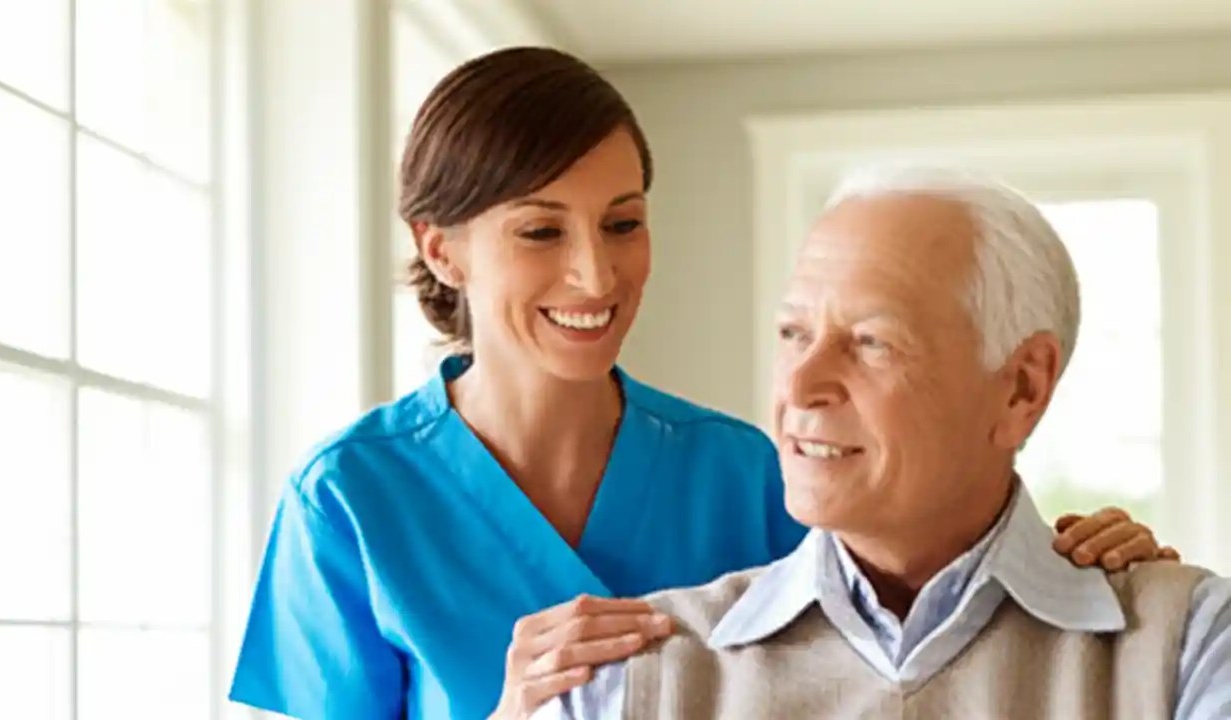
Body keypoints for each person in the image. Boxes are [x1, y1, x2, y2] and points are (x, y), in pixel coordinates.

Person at [226, 48, 1177, 720]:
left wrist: (1072, 564)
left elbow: (931, 645)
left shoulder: (753, 474)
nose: (596, 275)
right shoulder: (349, 499)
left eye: (623, 223)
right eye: (542, 231)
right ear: (443, 250)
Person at [545, 165, 1231, 720]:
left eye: (871, 342)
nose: (801, 386)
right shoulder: (622, 676)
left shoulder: (1189, 644)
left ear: (1022, 388)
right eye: (793, 334)